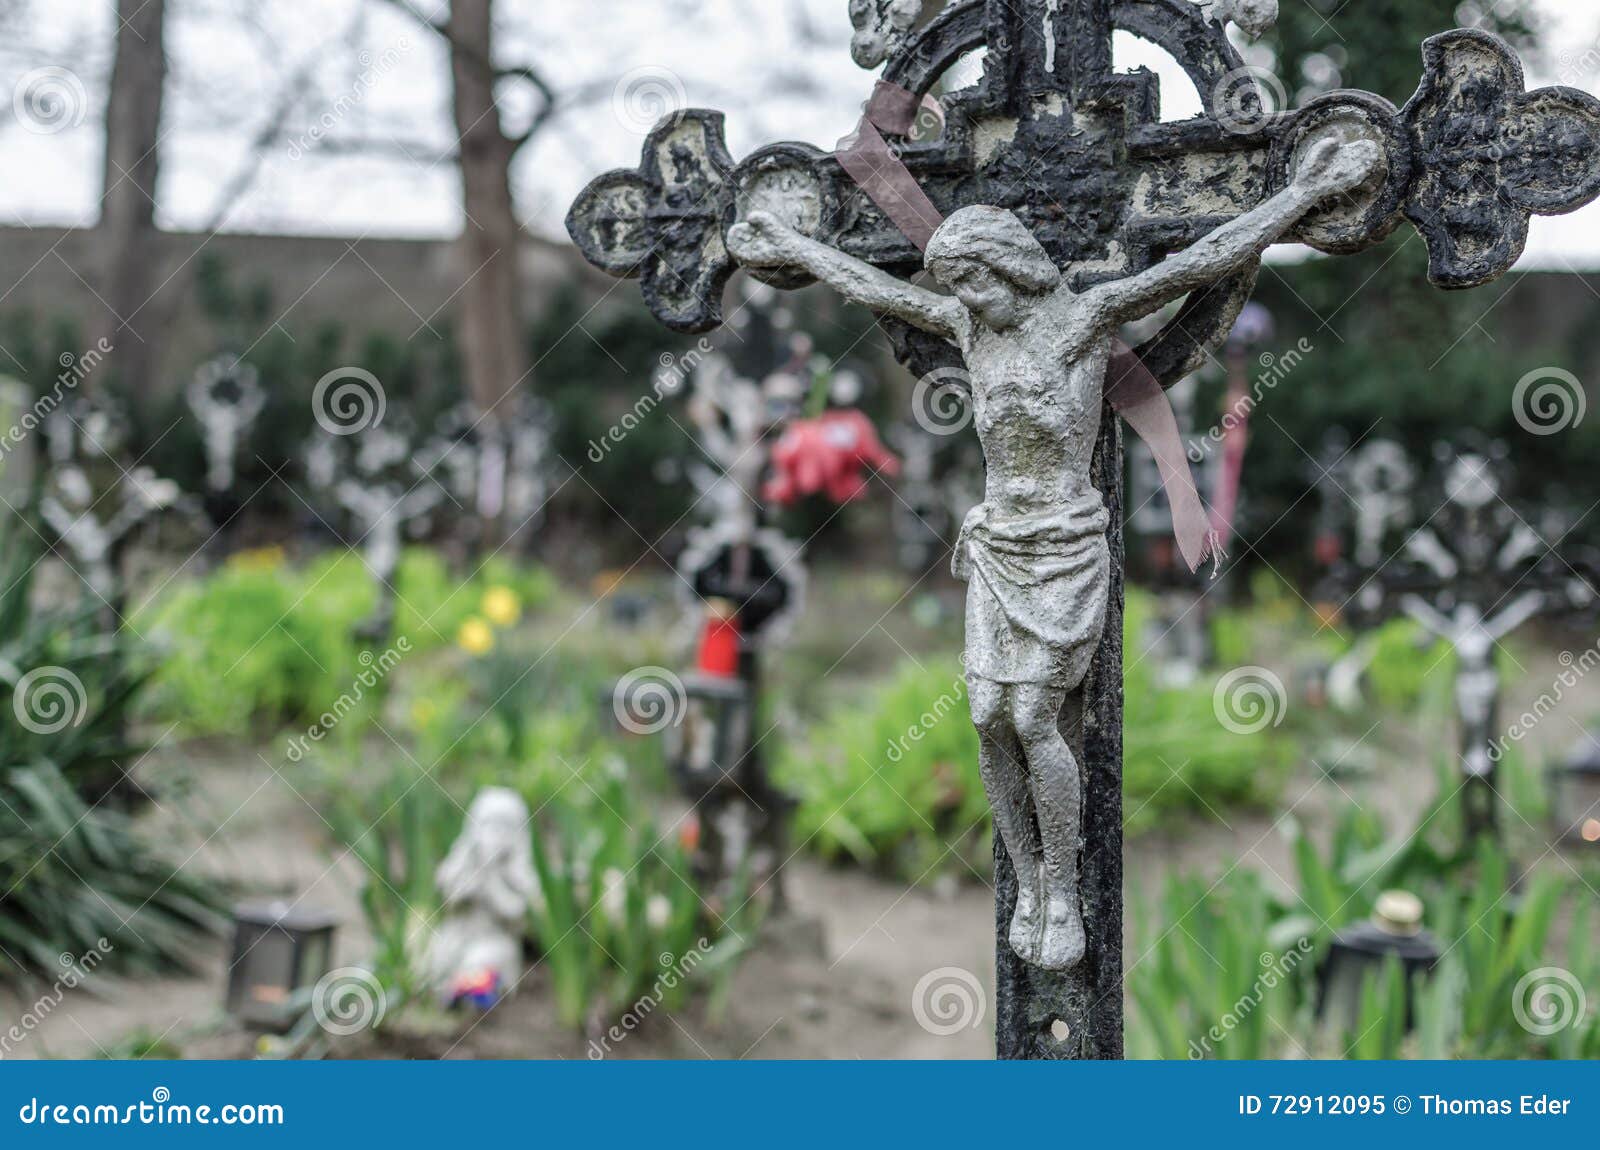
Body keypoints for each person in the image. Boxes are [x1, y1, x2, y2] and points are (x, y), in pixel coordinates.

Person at [727, 134, 1382, 969]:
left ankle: (1062, 883)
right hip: (998, 544)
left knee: (1034, 713)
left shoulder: (1076, 320)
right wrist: (790, 246)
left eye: (972, 281)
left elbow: (1195, 263)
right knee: (988, 720)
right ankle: (1026, 881)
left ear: (1009, 268)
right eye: (954, 287)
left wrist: (1301, 196)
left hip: (1065, 544)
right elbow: (875, 288)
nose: (963, 299)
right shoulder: (970, 326)